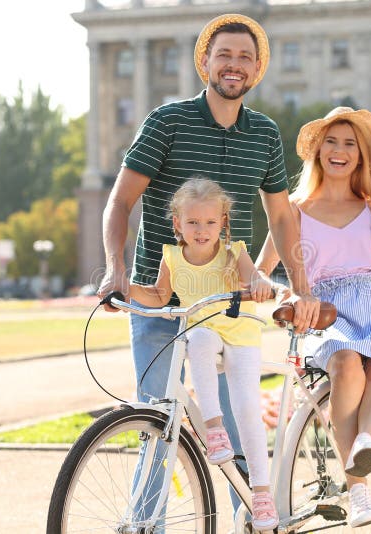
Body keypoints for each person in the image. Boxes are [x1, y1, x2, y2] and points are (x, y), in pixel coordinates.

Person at [95, 12, 320, 519]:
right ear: (205, 62)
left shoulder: (263, 133)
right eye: (224, 55)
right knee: (158, 422)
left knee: (239, 428)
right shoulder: (167, 122)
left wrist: (300, 288)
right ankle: (143, 526)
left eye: (244, 57)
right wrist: (115, 270)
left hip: (228, 307)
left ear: (256, 68)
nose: (233, 65)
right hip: (164, 303)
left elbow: (282, 216)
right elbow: (120, 201)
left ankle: (253, 518)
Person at [256, 107, 371, 528]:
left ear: (361, 157)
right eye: (332, 141)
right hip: (325, 309)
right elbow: (262, 268)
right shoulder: (293, 209)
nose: (340, 150)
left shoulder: (370, 205)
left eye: (350, 144)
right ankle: (360, 489)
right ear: (317, 151)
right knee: (346, 364)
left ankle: (367, 442)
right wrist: (266, 287)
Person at [126, 179, 281, 530]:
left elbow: (253, 277)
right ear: (177, 223)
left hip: (240, 331)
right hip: (206, 332)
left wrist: (258, 284)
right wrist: (127, 288)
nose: (201, 230)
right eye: (193, 222)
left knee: (245, 410)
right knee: (194, 337)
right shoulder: (172, 257)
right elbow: (159, 296)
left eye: (210, 222)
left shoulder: (233, 251)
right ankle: (213, 430)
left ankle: (261, 493)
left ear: (223, 222)